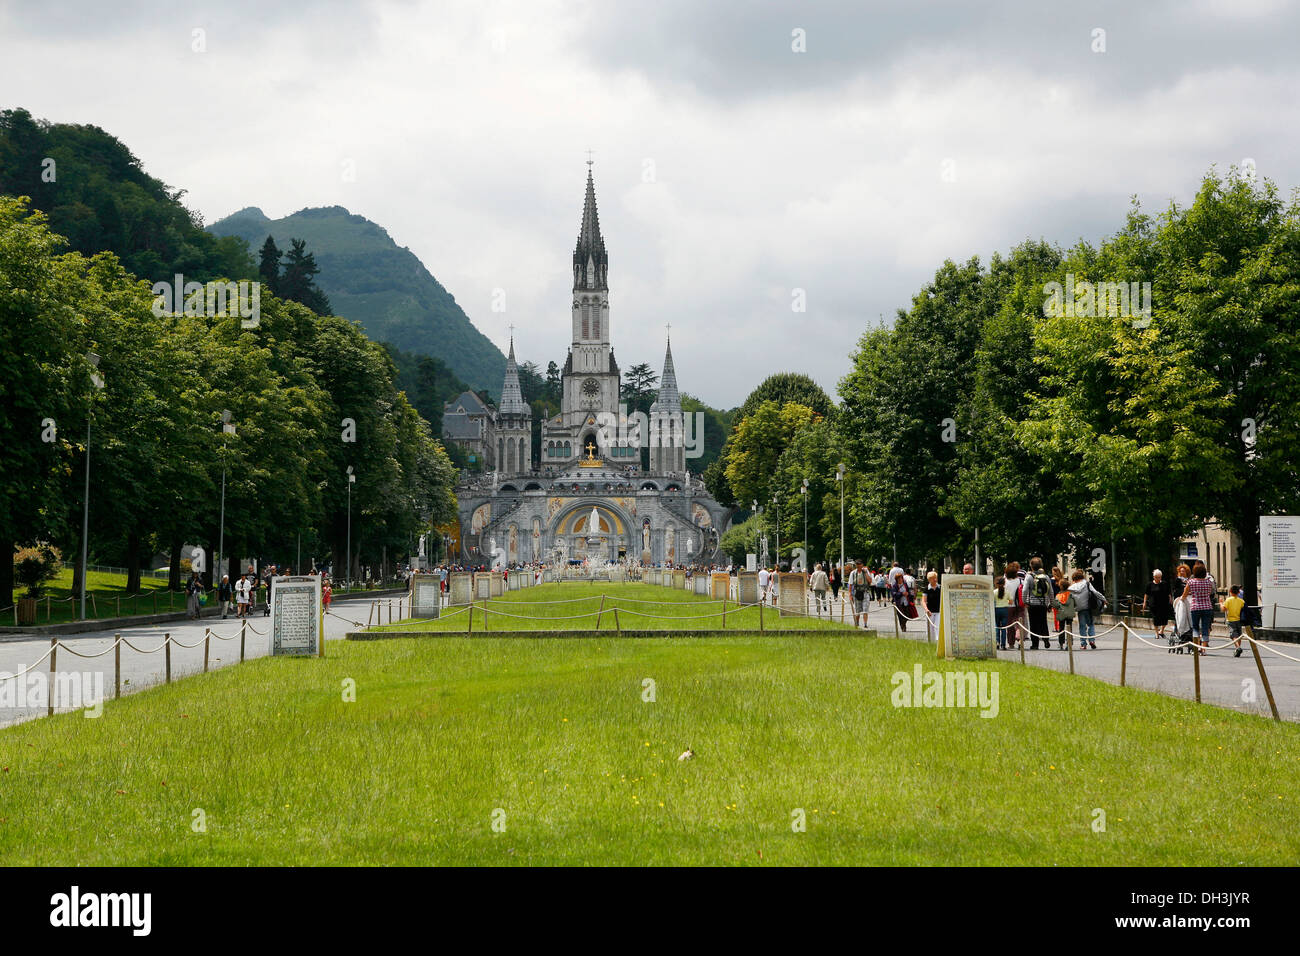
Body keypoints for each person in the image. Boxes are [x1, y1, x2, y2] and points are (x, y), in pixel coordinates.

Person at [1180, 562, 1215, 656]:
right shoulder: (1209, 582)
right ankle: (1203, 649)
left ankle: (1196, 648)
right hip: (1207, 606)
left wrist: (1182, 599)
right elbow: (1210, 592)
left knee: (1195, 628)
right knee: (1205, 628)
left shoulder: (1191, 582)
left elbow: (1185, 593)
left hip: (1195, 606)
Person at [1067, 569, 1106, 649]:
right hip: (1088, 607)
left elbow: (1069, 600)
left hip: (1079, 609)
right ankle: (1092, 640)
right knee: (1090, 624)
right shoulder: (1087, 584)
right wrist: (1104, 599)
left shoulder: (1071, 588)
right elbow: (1095, 593)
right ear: (1082, 577)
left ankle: (1083, 644)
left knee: (1082, 626)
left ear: (1074, 579)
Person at [1024, 557, 1056, 650]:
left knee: (1033, 624)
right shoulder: (1046, 577)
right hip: (1043, 604)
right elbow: (1051, 591)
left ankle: (1035, 644)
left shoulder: (1029, 576)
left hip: (1032, 604)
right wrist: (1051, 603)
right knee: (1043, 623)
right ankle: (1046, 640)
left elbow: (1025, 590)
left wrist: (1025, 601)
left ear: (1031, 566)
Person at [1142, 569, 1172, 640]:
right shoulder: (1150, 584)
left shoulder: (1164, 583)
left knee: (1164, 618)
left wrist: (1170, 599)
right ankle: (1156, 633)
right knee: (1155, 618)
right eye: (1156, 577)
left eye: (1159, 577)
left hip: (1164, 603)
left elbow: (1169, 592)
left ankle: (1161, 631)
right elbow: (1146, 594)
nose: (1158, 578)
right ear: (1154, 577)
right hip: (1154, 604)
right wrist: (1144, 602)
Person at [1004, 561, 1025, 649]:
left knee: (1009, 625)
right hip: (1019, 605)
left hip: (1008, 605)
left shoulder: (1004, 581)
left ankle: (1011, 643)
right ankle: (1020, 639)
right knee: (1019, 623)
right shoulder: (1020, 580)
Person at [1221, 585, 1247, 657]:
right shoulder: (1241, 601)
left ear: (1230, 591)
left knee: (1234, 634)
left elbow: (1223, 609)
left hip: (1231, 620)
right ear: (1239, 592)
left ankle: (1238, 647)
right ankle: (1237, 648)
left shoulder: (1228, 600)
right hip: (1239, 619)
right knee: (1239, 634)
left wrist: (1220, 603)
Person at [848, 560, 870, 628]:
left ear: (862, 565)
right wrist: (850, 594)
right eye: (857, 566)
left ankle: (865, 624)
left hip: (865, 592)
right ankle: (857, 623)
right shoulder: (853, 573)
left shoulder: (866, 572)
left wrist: (866, 572)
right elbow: (850, 584)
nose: (859, 567)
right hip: (857, 592)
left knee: (865, 609)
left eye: (860, 565)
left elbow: (870, 581)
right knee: (857, 610)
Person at [923, 570, 941, 640]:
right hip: (930, 612)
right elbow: (923, 601)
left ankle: (937, 643)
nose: (935, 579)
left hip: (938, 611)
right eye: (933, 578)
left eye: (936, 578)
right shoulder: (926, 589)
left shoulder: (940, 588)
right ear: (929, 579)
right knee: (930, 629)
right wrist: (926, 609)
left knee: (937, 627)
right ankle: (930, 642)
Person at [994, 574, 1011, 650]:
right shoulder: (1007, 592)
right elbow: (1010, 601)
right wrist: (1006, 602)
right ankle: (1003, 644)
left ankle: (997, 642)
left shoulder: (994, 592)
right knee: (1004, 628)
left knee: (997, 627)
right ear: (1004, 583)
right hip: (1004, 609)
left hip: (996, 609)